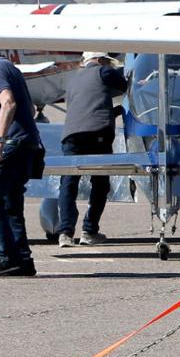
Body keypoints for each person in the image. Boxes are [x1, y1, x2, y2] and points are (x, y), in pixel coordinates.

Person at [0, 48, 45, 277]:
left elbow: (8, 103)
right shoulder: (10, 68)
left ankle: (8, 255)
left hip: (12, 145)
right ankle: (22, 260)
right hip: (26, 144)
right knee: (10, 202)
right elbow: (30, 109)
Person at [54, 51, 128, 247]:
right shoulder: (103, 72)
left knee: (69, 183)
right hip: (97, 134)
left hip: (71, 135)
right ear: (101, 60)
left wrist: (112, 111)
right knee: (100, 183)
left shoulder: (72, 80)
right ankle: (89, 230)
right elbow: (125, 85)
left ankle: (65, 233)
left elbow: (86, 108)